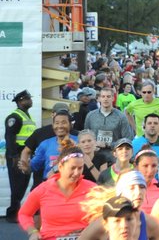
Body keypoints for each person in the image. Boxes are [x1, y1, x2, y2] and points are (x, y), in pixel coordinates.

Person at [18, 139, 97, 239]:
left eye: (80, 168)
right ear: (60, 166)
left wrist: (92, 229)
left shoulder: (92, 188)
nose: (77, 173)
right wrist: (33, 231)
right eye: (72, 168)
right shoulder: (43, 189)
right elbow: (24, 213)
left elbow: (104, 215)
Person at [5, 89, 36, 222]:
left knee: (23, 184)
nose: (31, 100)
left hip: (27, 154)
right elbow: (9, 137)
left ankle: (16, 211)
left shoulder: (27, 116)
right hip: (17, 154)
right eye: (28, 98)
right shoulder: (15, 117)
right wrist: (14, 157)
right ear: (21, 101)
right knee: (17, 185)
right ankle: (12, 214)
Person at [84, 87, 135, 155]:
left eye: (108, 96)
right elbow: (85, 136)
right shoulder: (90, 116)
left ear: (113, 98)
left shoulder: (121, 117)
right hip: (94, 154)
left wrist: (108, 144)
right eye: (103, 96)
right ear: (99, 98)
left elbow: (128, 140)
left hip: (114, 155)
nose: (105, 99)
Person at [29, 109, 78, 178]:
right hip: (49, 184)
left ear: (70, 125)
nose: (60, 126)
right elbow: (33, 166)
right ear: (53, 125)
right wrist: (26, 165)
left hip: (73, 184)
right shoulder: (45, 144)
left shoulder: (79, 141)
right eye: (57, 123)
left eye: (63, 122)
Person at [134, 149, 159, 215]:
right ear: (136, 166)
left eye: (154, 166)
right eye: (145, 166)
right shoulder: (127, 188)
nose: (150, 170)